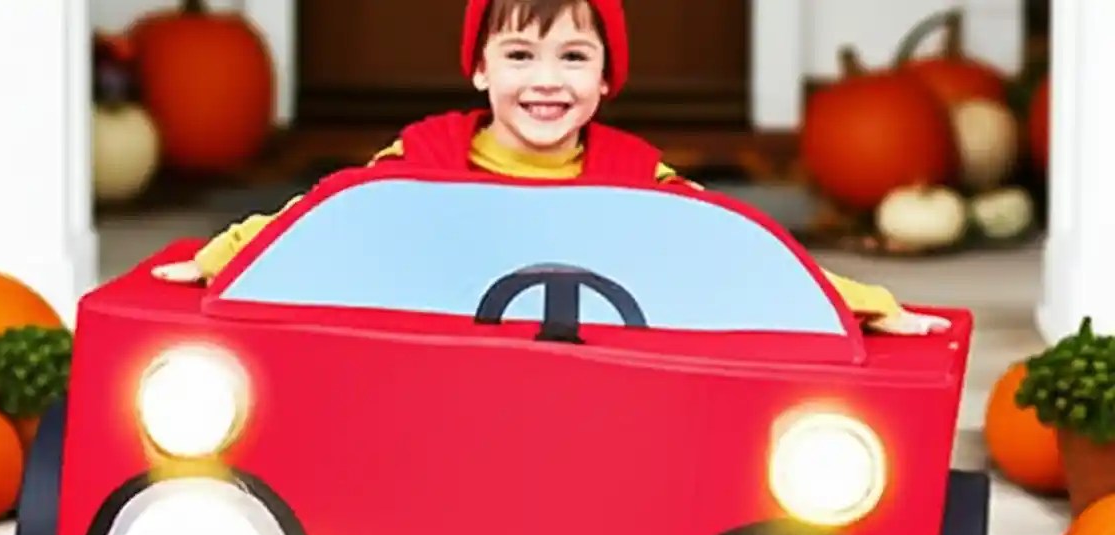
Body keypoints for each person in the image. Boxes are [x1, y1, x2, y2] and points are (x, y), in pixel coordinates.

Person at [153, 0, 949, 336]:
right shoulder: (425, 161)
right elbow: (325, 213)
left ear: (605, 80)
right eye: (520, 54)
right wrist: (226, 254)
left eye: (573, 57)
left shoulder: (637, 179)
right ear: (480, 70)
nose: (545, 80)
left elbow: (737, 244)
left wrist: (865, 304)